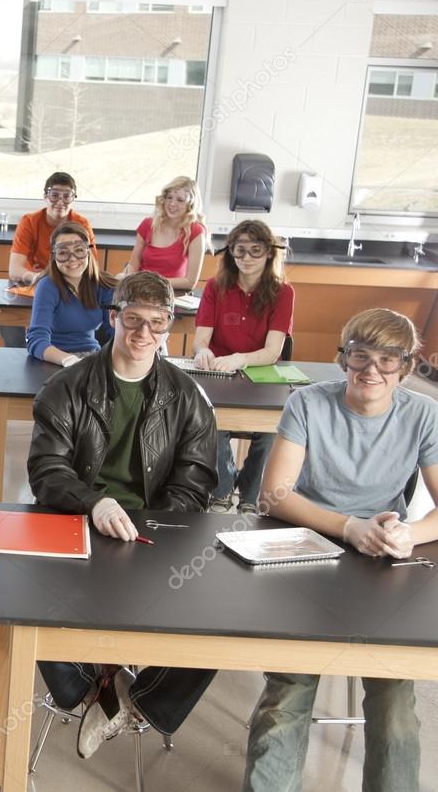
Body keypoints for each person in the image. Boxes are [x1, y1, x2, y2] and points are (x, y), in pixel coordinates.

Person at [243, 308, 438, 792]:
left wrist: (409, 534)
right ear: (343, 358)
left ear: (406, 366)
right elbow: (276, 496)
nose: (371, 370)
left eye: (387, 360)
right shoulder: (308, 402)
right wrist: (350, 528)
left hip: (383, 562)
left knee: (395, 702)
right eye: (360, 356)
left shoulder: (424, 413)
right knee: (287, 693)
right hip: (307, 545)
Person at [27, 270, 218, 759]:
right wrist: (95, 502)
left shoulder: (189, 397)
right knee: (29, 598)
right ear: (113, 318)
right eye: (133, 320)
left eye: (157, 323)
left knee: (220, 618)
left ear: (170, 324)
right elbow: (46, 471)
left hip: (153, 531)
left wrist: (146, 527)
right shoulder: (65, 388)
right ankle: (92, 689)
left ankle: (135, 701)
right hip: (76, 520)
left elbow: (195, 483)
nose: (144, 334)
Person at [193, 220, 294, 514]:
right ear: (231, 253)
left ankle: (251, 496)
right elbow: (201, 340)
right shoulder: (215, 287)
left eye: (255, 250)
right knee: (211, 421)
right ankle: (221, 491)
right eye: (240, 251)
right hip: (219, 373)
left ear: (269, 253)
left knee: (271, 430)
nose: (247, 258)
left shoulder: (283, 292)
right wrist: (203, 352)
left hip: (262, 375)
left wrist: (239, 358)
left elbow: (272, 352)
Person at [2, 172, 95, 348]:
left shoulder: (82, 224)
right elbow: (15, 270)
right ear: (46, 196)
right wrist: (38, 277)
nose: (60, 202)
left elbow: (90, 267)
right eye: (54, 195)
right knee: (11, 330)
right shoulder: (30, 222)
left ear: (73, 199)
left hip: (69, 288)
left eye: (66, 196)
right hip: (31, 286)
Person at [26, 221, 117, 367]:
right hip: (54, 360)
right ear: (54, 256)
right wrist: (70, 361)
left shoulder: (103, 285)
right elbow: (36, 340)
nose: (72, 258)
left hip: (92, 356)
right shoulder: (47, 286)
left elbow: (114, 332)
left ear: (88, 251)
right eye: (63, 252)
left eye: (79, 250)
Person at [120, 176, 207, 291]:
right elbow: (133, 264)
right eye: (169, 197)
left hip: (170, 293)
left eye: (180, 200)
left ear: (190, 205)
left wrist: (150, 283)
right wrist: (129, 281)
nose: (172, 204)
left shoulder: (196, 231)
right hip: (140, 289)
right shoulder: (148, 224)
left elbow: (190, 282)